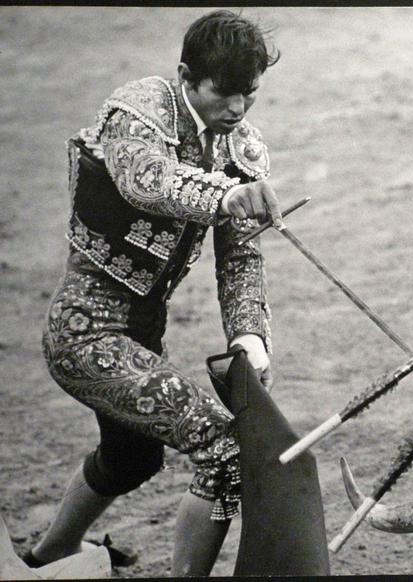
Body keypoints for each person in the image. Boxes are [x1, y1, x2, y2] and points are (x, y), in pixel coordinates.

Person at [27, 10, 282, 576]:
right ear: (187, 74)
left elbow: (239, 256)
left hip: (141, 334)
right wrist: (222, 196)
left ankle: (47, 557)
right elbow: (147, 181)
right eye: (225, 92)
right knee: (224, 448)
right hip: (85, 333)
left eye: (250, 94)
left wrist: (248, 337)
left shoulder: (243, 148)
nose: (237, 109)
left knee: (131, 460)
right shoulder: (139, 108)